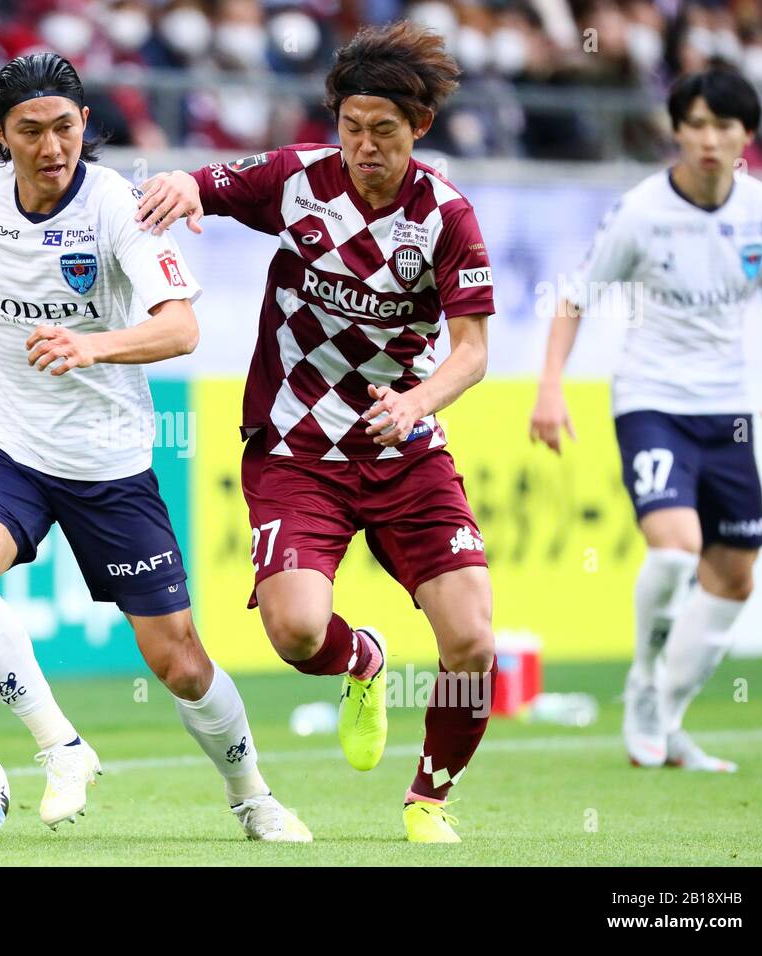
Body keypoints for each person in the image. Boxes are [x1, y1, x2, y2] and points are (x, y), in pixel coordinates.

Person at [0, 52, 311, 842]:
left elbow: (182, 327)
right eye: (31, 132)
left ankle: (252, 795)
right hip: (8, 442)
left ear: (86, 125)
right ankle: (61, 745)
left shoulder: (119, 208)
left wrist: (93, 347)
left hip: (108, 463)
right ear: (0, 135)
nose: (52, 147)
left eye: (66, 128)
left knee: (180, 663)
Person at [136, 21, 498, 843]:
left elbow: (472, 355)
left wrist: (416, 405)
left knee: (472, 640)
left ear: (421, 129)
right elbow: (204, 184)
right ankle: (361, 661)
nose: (365, 147)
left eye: (385, 132)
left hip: (403, 452)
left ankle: (428, 800)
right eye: (351, 127)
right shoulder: (296, 179)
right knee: (298, 634)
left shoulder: (446, 216)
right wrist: (183, 188)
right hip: (295, 452)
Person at [529, 67, 762, 773]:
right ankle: (644, 687)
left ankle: (668, 715)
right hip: (651, 402)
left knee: (735, 576)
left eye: (725, 126)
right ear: (676, 129)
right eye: (697, 124)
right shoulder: (642, 211)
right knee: (677, 549)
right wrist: (550, 388)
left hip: (727, 411)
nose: (710, 139)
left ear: (747, 134)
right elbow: (574, 298)